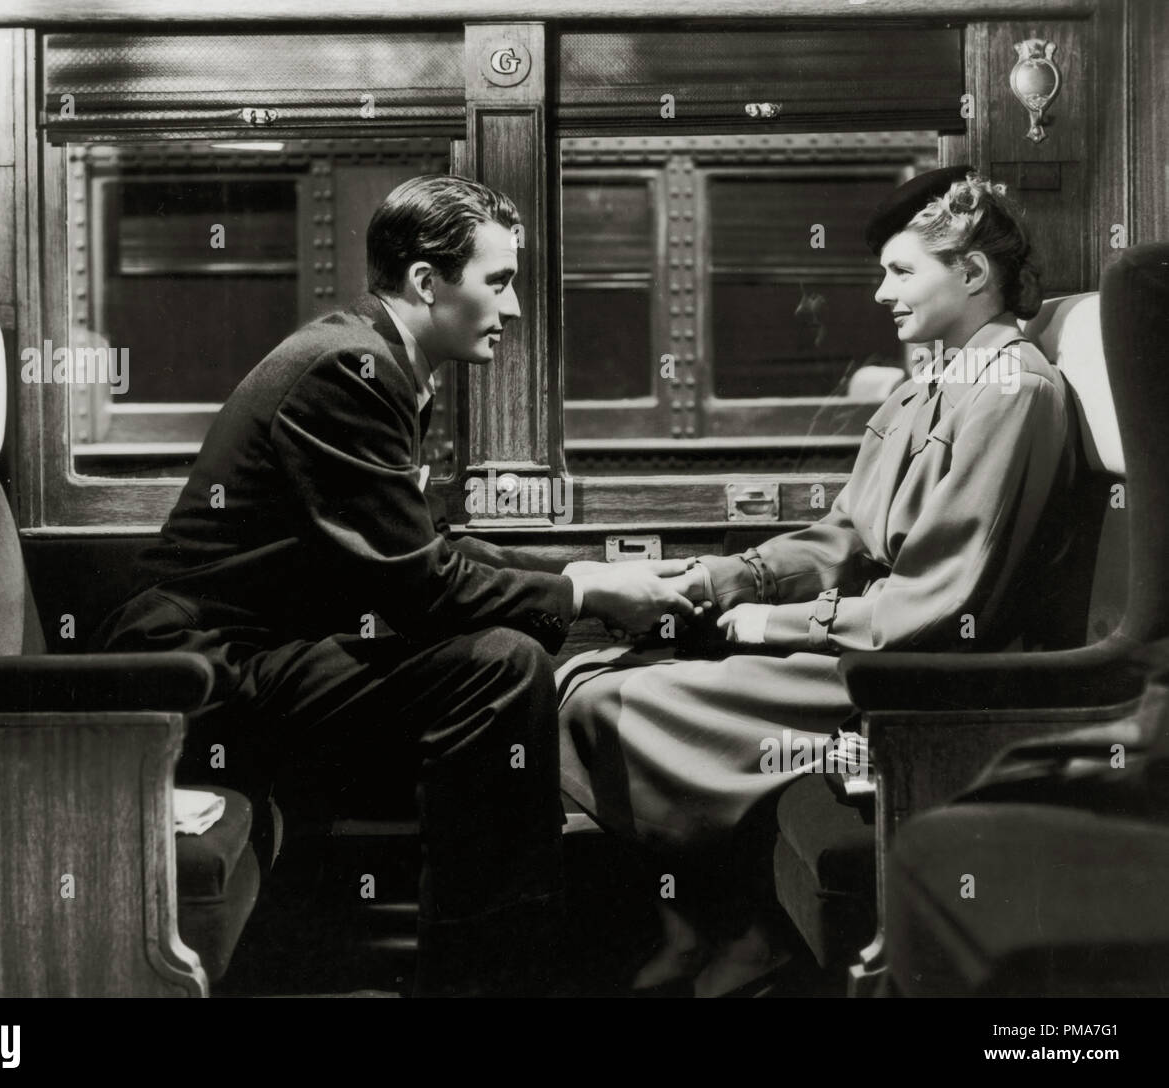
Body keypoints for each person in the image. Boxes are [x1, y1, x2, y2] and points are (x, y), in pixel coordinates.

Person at [91, 174, 706, 996]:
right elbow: (416, 584)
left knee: (497, 637)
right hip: (200, 666)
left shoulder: (374, 357)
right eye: (498, 282)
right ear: (426, 282)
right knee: (498, 664)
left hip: (259, 645)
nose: (513, 309)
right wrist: (587, 598)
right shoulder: (350, 371)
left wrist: (580, 573)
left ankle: (487, 954)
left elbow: (424, 550)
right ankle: (487, 975)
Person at [557, 167, 1075, 996]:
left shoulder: (1014, 393)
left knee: (601, 704)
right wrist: (733, 577)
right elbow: (846, 534)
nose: (880, 295)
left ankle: (731, 930)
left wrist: (788, 625)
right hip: (869, 641)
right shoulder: (929, 385)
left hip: (915, 675)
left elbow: (946, 599)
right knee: (587, 676)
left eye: (902, 272)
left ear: (973, 274)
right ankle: (717, 928)